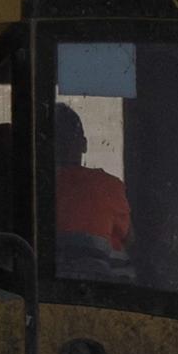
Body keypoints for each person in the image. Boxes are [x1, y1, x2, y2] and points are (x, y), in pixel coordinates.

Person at [47, 101, 132, 274]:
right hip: (98, 289)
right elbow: (132, 243)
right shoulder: (108, 185)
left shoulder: (30, 187)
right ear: (83, 144)